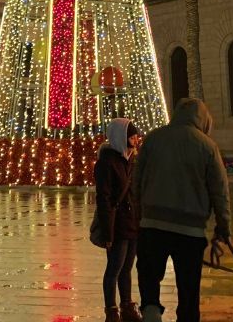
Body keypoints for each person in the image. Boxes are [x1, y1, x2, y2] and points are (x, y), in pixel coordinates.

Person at [134, 98, 231, 322]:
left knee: (149, 278)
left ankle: (151, 312)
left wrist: (140, 213)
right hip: (190, 232)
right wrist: (223, 227)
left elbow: (136, 181)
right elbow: (220, 191)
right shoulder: (207, 146)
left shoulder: (153, 139)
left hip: (152, 226)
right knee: (188, 292)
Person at [95, 118, 143, 322]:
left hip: (132, 222)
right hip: (117, 224)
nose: (135, 139)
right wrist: (108, 232)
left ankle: (127, 305)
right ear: (120, 137)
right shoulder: (107, 162)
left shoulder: (131, 159)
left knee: (127, 267)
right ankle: (111, 310)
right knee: (114, 268)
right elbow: (104, 199)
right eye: (131, 136)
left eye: (136, 136)